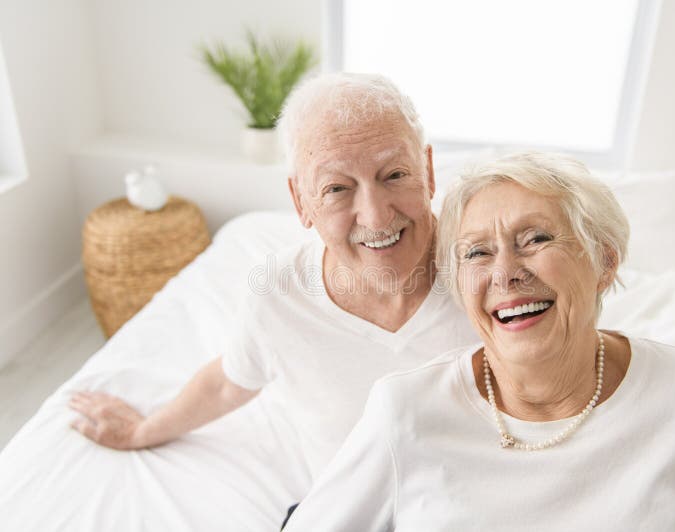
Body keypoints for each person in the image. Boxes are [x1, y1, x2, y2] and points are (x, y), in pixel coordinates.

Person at [284, 151, 675, 531]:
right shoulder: (405, 409)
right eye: (477, 252)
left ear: (604, 262)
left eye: (535, 239)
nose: (505, 273)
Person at [67, 72, 477, 508]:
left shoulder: (490, 266)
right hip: (347, 508)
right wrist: (142, 431)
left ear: (428, 171)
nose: (375, 218)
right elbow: (228, 383)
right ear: (301, 202)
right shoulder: (279, 296)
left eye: (394, 174)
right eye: (337, 188)